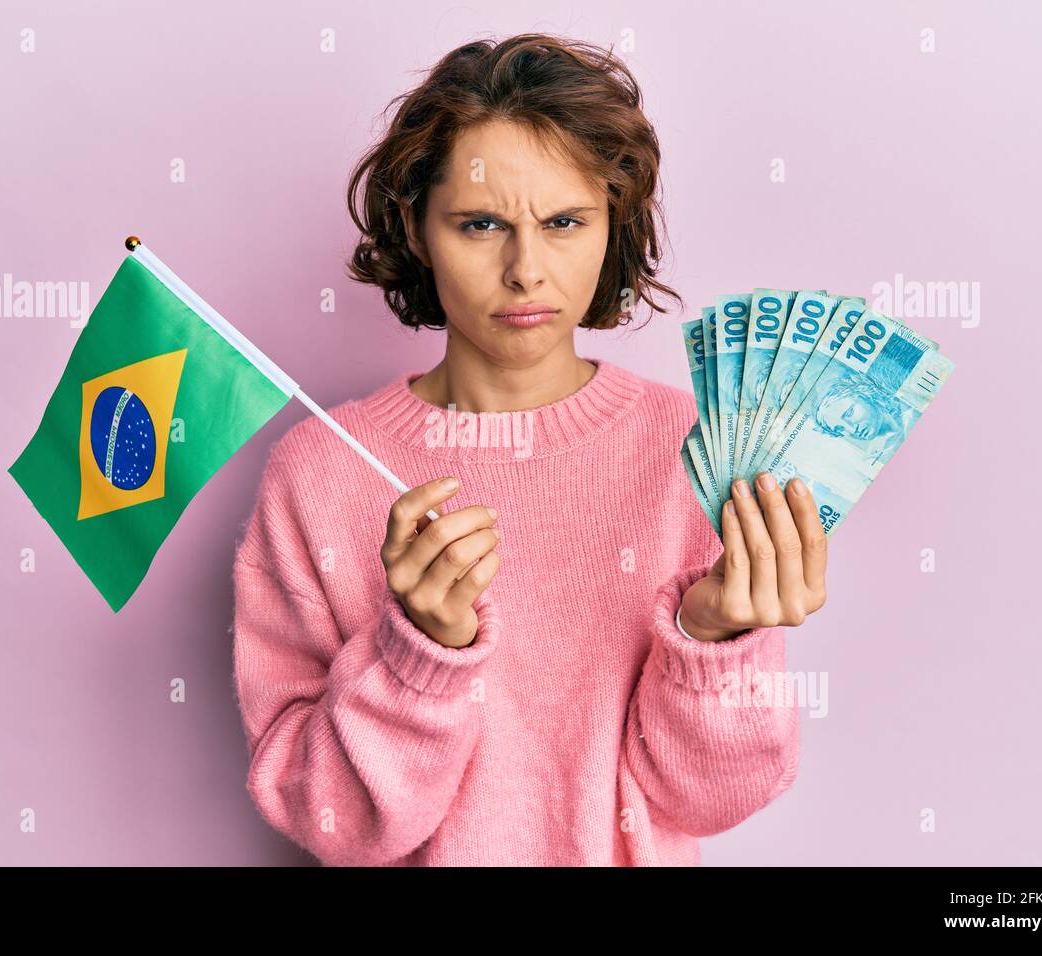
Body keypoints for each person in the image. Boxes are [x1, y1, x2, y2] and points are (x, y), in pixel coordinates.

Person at [231, 33, 828, 866]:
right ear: (416, 224)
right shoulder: (320, 470)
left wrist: (712, 635)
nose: (526, 271)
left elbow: (711, 800)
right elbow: (332, 822)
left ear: (610, 223)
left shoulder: (699, 451)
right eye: (480, 224)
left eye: (563, 222)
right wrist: (420, 652)